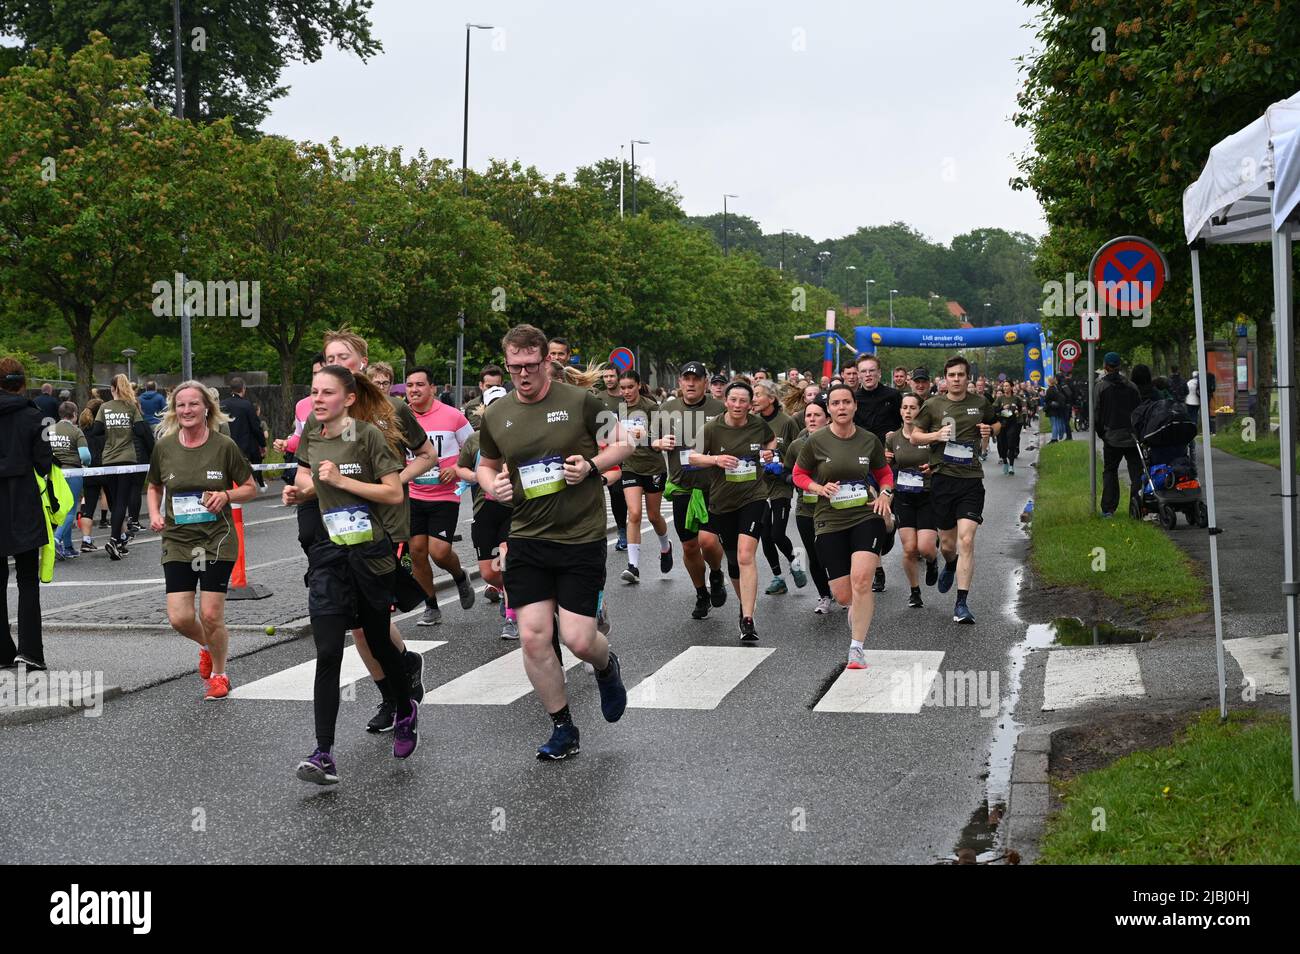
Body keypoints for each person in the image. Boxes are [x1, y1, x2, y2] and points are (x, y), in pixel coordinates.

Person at [477, 324, 633, 761]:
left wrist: (591, 465)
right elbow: (486, 466)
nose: (522, 375)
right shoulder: (496, 414)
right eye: (514, 367)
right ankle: (563, 727)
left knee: (579, 640)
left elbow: (623, 444)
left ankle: (606, 665)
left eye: (530, 365)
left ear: (547, 362)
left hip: (579, 537)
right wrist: (494, 487)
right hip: (526, 537)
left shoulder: (581, 401)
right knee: (533, 637)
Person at [286, 365, 419, 784]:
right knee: (328, 652)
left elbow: (393, 492)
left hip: (369, 553)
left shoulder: (367, 436)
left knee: (379, 641)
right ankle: (323, 752)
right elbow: (310, 479)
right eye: (314, 392)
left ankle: (405, 708)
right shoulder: (312, 432)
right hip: (328, 555)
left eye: (328, 393)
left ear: (347, 398)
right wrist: (301, 491)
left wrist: (342, 480)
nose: (319, 399)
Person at [319, 329, 438, 734]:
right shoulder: (320, 411)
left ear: (362, 364)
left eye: (344, 356)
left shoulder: (391, 409)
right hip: (340, 526)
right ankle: (398, 678)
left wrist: (398, 479)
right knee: (358, 625)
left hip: (386, 526)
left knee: (372, 617)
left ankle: (394, 695)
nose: (336, 362)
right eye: (330, 356)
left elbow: (428, 455)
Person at [146, 382, 257, 700]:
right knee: (180, 617)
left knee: (210, 615)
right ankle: (208, 646)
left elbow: (250, 487)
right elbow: (154, 485)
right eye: (181, 405)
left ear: (207, 408)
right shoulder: (165, 447)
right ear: (174, 410)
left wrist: (226, 495)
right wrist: (154, 513)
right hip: (179, 540)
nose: (187, 411)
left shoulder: (224, 446)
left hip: (216, 540)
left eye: (193, 404)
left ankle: (220, 674)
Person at [793, 384, 895, 669]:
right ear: (829, 409)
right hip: (828, 519)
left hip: (865, 514)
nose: (841, 407)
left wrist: (886, 493)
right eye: (835, 403)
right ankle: (857, 614)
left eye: (846, 402)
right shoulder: (815, 442)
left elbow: (884, 472)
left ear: (854, 406)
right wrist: (817, 487)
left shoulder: (869, 440)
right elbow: (799, 474)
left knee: (862, 579)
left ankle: (857, 648)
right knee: (842, 594)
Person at [909, 356, 998, 624]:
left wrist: (988, 430)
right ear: (945, 379)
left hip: (971, 480)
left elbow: (996, 424)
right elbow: (915, 435)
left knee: (967, 540)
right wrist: (936, 436)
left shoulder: (980, 403)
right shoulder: (933, 405)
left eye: (961, 374)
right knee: (948, 545)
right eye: (952, 375)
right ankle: (949, 563)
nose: (956, 379)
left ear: (968, 377)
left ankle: (961, 603)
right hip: (943, 480)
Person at [693, 380, 778, 642]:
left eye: (744, 401)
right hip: (722, 502)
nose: (738, 405)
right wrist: (716, 459)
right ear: (726, 402)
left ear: (750, 403)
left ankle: (749, 617)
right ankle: (743, 605)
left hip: (754, 497)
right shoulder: (712, 427)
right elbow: (692, 457)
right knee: (733, 559)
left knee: (745, 555)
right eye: (734, 400)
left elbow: (771, 441)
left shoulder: (757, 424)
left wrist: (768, 454)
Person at [404, 365, 477, 626]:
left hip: (445, 494)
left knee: (439, 551)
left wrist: (455, 469)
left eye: (420, 384)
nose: (414, 390)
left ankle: (459, 576)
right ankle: (431, 606)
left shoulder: (453, 417)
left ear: (432, 388)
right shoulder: (402, 418)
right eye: (410, 385)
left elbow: (473, 449)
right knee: (417, 552)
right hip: (413, 494)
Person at [659, 361, 729, 620]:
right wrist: (658, 442)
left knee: (708, 541)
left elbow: (733, 438)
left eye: (696, 379)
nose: (690, 383)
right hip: (681, 485)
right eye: (686, 379)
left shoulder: (719, 409)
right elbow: (650, 440)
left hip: (713, 486)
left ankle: (716, 572)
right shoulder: (667, 409)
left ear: (705, 383)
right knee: (689, 546)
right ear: (679, 383)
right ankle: (702, 593)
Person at [0, 358, 53, 671]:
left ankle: (2, 652)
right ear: (22, 383)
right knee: (27, 580)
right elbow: (45, 464)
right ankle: (30, 651)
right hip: (23, 503)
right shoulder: (35, 417)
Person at [455, 386, 517, 637]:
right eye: (493, 405)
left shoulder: (520, 434)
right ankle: (508, 590)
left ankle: (512, 617)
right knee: (488, 571)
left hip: (515, 508)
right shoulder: (475, 439)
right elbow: (460, 468)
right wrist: (476, 476)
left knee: (506, 559)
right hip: (485, 508)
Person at [616, 369, 672, 584]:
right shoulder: (619, 410)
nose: (627, 391)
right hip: (630, 466)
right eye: (623, 388)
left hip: (653, 466)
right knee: (634, 513)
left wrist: (650, 439)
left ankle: (666, 547)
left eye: (630, 387)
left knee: (654, 516)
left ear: (638, 386)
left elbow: (660, 437)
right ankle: (633, 566)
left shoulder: (651, 407)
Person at [852, 354, 903, 591]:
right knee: (871, 516)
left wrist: (895, 439)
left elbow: (905, 425)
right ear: (858, 375)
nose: (868, 375)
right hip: (863, 463)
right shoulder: (853, 399)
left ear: (880, 373)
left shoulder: (892, 396)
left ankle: (891, 525)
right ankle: (878, 570)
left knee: (884, 520)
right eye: (863, 371)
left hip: (888, 464)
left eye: (872, 371)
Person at [90, 374, 154, 559]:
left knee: (114, 501)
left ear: (112, 389)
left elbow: (96, 431)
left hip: (108, 459)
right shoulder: (131, 407)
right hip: (127, 459)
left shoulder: (104, 407)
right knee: (121, 502)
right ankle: (114, 539)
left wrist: (110, 432)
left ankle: (117, 540)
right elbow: (143, 432)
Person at [885, 392, 939, 608]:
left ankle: (933, 562)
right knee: (909, 549)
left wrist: (933, 469)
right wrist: (886, 460)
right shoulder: (892, 438)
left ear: (920, 411)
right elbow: (886, 469)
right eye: (904, 407)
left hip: (927, 495)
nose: (908, 412)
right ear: (900, 411)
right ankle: (915, 591)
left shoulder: (930, 436)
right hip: (904, 496)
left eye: (913, 408)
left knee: (925, 548)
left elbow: (944, 461)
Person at [752, 378, 805, 595]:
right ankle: (778, 577)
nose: (753, 399)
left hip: (780, 485)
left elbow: (799, 453)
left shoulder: (787, 422)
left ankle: (795, 561)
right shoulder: (751, 421)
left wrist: (784, 466)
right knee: (764, 534)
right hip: (758, 485)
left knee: (776, 533)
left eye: (758, 394)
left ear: (771, 399)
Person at [784, 394, 834, 614]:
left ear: (827, 418)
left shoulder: (837, 441)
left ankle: (845, 588)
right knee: (814, 554)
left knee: (834, 551)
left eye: (817, 415)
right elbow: (787, 472)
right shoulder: (796, 446)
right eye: (808, 416)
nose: (812, 419)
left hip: (834, 507)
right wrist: (795, 480)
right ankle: (824, 595)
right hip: (806, 507)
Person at [1094, 352, 1142, 519]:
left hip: (1112, 436)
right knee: (1136, 472)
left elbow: (1096, 413)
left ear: (1106, 366)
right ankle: (1137, 506)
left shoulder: (1100, 387)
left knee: (1110, 471)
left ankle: (1108, 509)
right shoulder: (1132, 386)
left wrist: (1102, 433)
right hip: (1131, 436)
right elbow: (1139, 411)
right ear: (1119, 366)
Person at [592, 366, 629, 552]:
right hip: (608, 451)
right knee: (616, 493)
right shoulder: (598, 398)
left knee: (628, 493)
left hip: (629, 451)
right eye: (605, 376)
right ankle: (622, 530)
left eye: (611, 376)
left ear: (618, 377)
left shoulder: (625, 398)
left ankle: (632, 526)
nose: (608, 379)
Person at [50, 401, 90, 560]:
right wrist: (87, 465)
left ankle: (67, 547)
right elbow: (85, 456)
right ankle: (56, 539)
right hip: (72, 472)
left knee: (60, 509)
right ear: (74, 415)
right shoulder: (76, 431)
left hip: (53, 473)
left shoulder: (49, 430)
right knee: (70, 509)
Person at [222, 377, 268, 490]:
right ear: (243, 389)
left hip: (226, 445)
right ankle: (251, 487)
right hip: (245, 446)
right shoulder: (246, 405)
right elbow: (256, 427)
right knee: (249, 468)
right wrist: (263, 444)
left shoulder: (222, 405)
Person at [992, 380, 1024, 476]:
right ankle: (1005, 462)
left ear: (1011, 387)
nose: (1005, 388)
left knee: (1011, 444)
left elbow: (1020, 408)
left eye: (1007, 386)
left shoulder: (1016, 398)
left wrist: (1017, 412)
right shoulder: (1000, 398)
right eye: (1004, 386)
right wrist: (1002, 408)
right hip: (1002, 424)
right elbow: (993, 409)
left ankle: (1011, 466)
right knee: (1003, 446)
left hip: (1012, 423)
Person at [463, 364, 505, 429]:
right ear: (481, 385)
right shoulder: (471, 406)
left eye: (497, 386)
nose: (493, 390)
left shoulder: (509, 404)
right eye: (489, 386)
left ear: (502, 385)